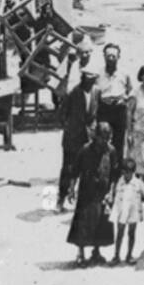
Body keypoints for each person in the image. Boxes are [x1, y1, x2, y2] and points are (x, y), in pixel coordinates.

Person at [68, 122, 116, 267]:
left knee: (101, 222)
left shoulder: (111, 150)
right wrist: (71, 189)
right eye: (102, 138)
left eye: (107, 139)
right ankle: (81, 254)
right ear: (96, 137)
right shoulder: (85, 150)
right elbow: (75, 171)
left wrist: (112, 192)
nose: (104, 142)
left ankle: (96, 251)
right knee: (83, 223)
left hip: (103, 193)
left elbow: (114, 174)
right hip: (86, 193)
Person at [58, 68, 99, 211]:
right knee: (69, 169)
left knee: (88, 170)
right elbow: (62, 114)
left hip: (89, 137)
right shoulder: (73, 93)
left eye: (93, 78)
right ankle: (60, 199)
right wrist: (71, 127)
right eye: (88, 78)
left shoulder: (96, 92)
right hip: (72, 137)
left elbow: (96, 114)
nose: (90, 81)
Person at [106, 157, 144, 265]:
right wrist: (109, 198)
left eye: (129, 172)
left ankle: (129, 255)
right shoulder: (119, 181)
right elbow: (112, 193)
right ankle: (116, 255)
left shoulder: (138, 182)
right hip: (121, 211)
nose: (127, 174)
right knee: (120, 233)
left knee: (131, 233)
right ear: (122, 171)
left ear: (133, 172)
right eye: (125, 172)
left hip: (133, 211)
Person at [95, 44, 133, 158]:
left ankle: (116, 171)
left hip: (119, 109)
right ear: (104, 56)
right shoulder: (98, 74)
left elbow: (130, 91)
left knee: (119, 142)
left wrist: (125, 101)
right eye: (108, 56)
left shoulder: (124, 73)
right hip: (104, 109)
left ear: (118, 57)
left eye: (114, 56)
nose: (111, 58)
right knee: (101, 139)